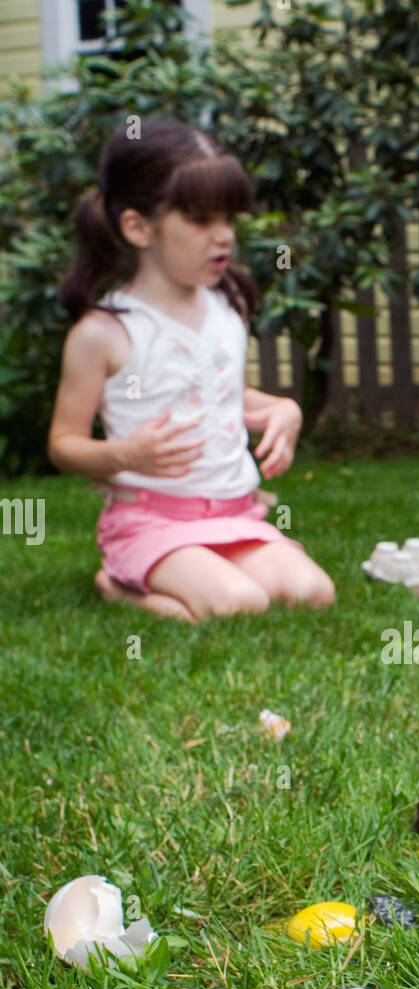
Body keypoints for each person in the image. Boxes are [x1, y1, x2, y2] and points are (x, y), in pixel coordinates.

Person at [48, 120, 335, 621]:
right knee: (238, 606)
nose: (224, 235)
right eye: (201, 220)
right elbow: (63, 444)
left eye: (229, 219)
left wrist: (282, 409)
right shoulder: (106, 332)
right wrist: (125, 454)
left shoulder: (226, 308)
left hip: (233, 516)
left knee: (314, 592)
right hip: (151, 521)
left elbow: (222, 394)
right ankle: (117, 582)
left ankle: (212, 569)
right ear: (139, 227)